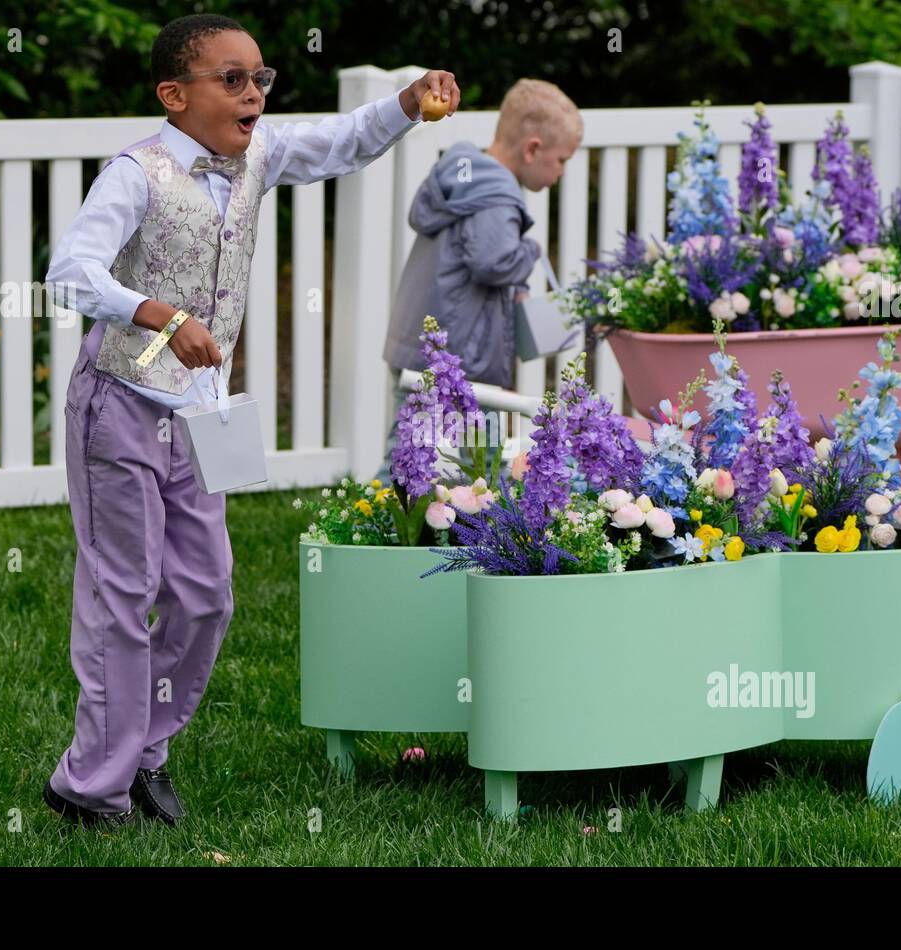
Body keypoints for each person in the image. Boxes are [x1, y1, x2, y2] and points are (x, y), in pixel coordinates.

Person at [44, 12, 459, 827]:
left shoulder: (258, 155)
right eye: (231, 79)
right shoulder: (135, 174)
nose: (254, 94)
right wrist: (161, 315)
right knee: (122, 594)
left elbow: (341, 142)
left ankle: (146, 751)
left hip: (199, 413)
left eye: (260, 78)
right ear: (174, 95)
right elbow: (69, 271)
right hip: (120, 404)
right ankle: (90, 785)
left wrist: (408, 103)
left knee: (206, 595)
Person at [377, 78, 582, 483]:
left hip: (428, 348)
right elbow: (493, 262)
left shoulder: (468, 176)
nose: (561, 172)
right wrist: (530, 251)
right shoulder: (498, 192)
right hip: (461, 357)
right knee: (428, 466)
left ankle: (442, 520)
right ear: (533, 149)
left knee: (427, 457)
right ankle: (373, 522)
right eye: (561, 160)